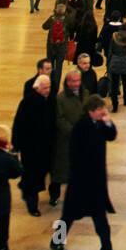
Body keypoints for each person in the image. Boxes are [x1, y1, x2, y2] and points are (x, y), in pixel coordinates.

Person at [50, 96, 120, 250]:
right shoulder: (81, 127)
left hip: (95, 182)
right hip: (80, 182)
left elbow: (111, 136)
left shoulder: (100, 124)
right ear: (91, 111)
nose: (103, 112)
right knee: (67, 216)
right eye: (100, 110)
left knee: (101, 219)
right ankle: (56, 242)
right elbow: (74, 154)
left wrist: (108, 122)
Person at [11, 73, 55, 215]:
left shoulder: (49, 101)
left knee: (40, 173)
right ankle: (32, 205)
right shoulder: (27, 102)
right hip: (30, 148)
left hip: (45, 146)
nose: (48, 90)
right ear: (37, 88)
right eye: (45, 88)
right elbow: (18, 124)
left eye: (49, 87)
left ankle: (26, 188)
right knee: (32, 176)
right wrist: (16, 145)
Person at [50, 69, 87, 206]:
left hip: (81, 140)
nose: (76, 83)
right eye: (73, 81)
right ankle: (54, 195)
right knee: (60, 170)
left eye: (78, 80)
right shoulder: (60, 98)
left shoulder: (85, 95)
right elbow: (59, 118)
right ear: (67, 82)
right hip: (64, 141)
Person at [107, 23, 126, 112]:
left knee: (114, 84)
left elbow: (110, 50)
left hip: (115, 60)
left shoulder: (115, 36)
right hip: (125, 60)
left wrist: (109, 62)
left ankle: (115, 104)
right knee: (125, 82)